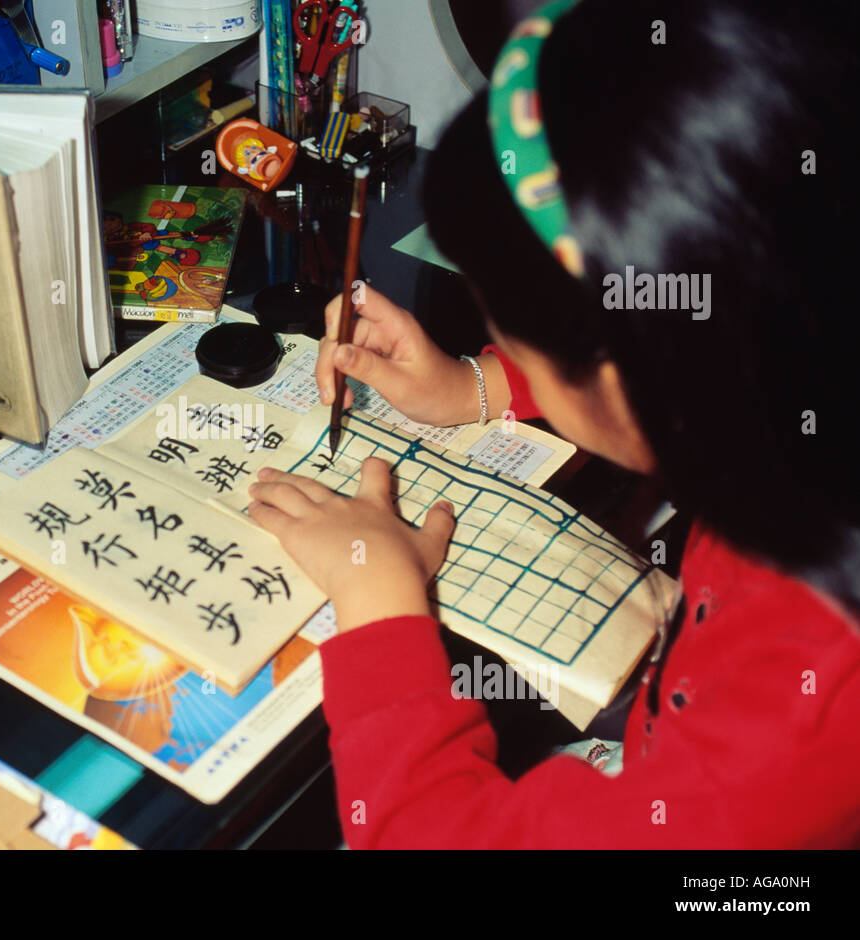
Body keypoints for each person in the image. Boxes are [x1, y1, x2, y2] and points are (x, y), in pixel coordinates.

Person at [245, 0, 860, 847]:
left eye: (512, 339)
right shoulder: (796, 352)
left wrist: (379, 595)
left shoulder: (784, 742)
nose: (509, 355)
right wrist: (473, 387)